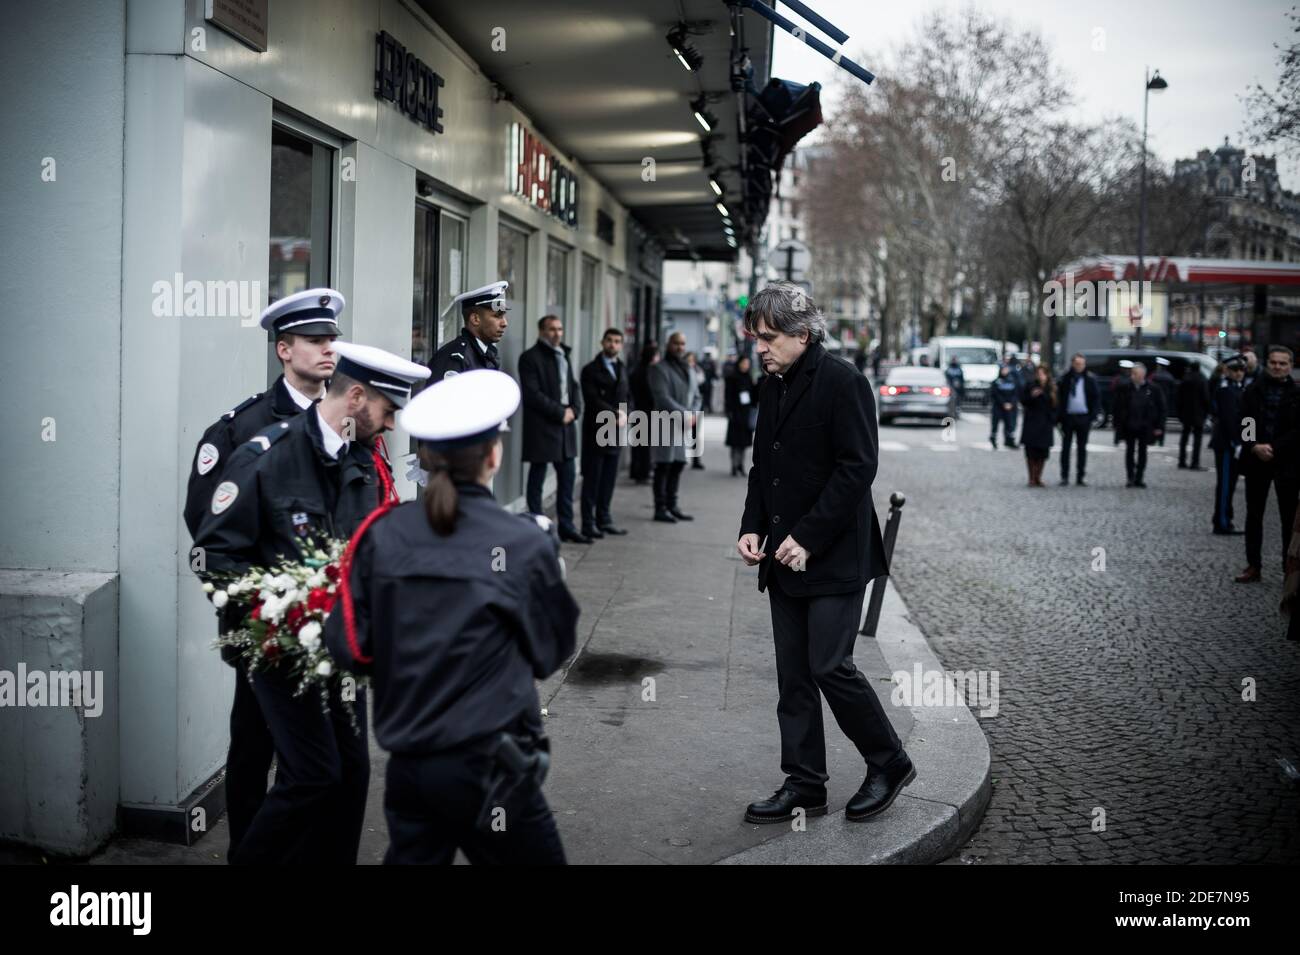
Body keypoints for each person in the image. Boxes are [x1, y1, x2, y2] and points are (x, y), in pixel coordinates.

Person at [325, 370, 579, 864]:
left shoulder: (382, 532)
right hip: (493, 767)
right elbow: (551, 651)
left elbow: (349, 646)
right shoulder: (523, 542)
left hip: (411, 768)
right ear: (493, 454)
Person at [194, 342, 430, 864]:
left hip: (343, 649)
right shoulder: (265, 456)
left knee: (351, 771)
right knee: (311, 774)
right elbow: (214, 553)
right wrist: (276, 607)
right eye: (389, 412)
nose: (392, 425)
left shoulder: (364, 464)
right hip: (279, 647)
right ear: (357, 397)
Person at [736, 283, 908, 826]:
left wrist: (806, 537)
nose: (760, 348)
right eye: (755, 339)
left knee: (831, 666)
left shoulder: (844, 382)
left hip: (833, 558)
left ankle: (890, 762)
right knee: (793, 677)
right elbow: (765, 467)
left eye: (769, 338)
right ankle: (805, 783)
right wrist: (751, 527)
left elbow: (857, 469)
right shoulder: (772, 385)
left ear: (802, 335)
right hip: (781, 557)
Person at [185, 288, 341, 861]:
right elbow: (207, 528)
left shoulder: (343, 422)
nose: (329, 348)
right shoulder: (240, 428)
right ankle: (248, 849)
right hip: (266, 628)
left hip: (330, 626)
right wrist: (258, 612)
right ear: (284, 349)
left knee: (317, 754)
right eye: (315, 340)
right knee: (254, 741)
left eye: (332, 339)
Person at [518, 315, 586, 543]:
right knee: (537, 478)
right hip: (544, 426)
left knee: (567, 479)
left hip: (566, 427)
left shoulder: (563, 355)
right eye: (551, 329)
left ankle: (567, 526)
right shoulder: (529, 358)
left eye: (560, 329)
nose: (557, 333)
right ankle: (536, 527)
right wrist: (561, 412)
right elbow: (532, 394)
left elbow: (574, 387)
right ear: (541, 331)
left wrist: (575, 410)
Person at [1236, 345, 1300, 583]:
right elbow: (1245, 420)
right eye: (1274, 362)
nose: (1277, 367)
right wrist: (1255, 445)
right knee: (1254, 514)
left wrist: (1275, 447)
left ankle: (1288, 568)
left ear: (1290, 366)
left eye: (1282, 363)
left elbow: (1297, 430)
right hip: (1257, 460)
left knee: (1288, 518)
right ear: (1268, 363)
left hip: (1287, 462)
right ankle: (1254, 565)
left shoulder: (1296, 394)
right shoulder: (1253, 390)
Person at [579, 327, 630, 539]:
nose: (613, 345)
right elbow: (592, 400)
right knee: (592, 480)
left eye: (617, 341)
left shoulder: (622, 367)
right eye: (610, 340)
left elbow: (626, 396)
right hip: (596, 431)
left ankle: (604, 519)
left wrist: (626, 414)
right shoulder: (590, 369)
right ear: (602, 342)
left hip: (616, 433)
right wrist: (616, 414)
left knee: (609, 480)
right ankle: (588, 523)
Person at [648, 332, 697, 523]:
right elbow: (662, 398)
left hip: (684, 426)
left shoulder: (689, 369)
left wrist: (693, 413)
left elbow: (697, 396)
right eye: (676, 343)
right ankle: (660, 508)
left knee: (678, 465)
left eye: (683, 343)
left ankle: (672, 505)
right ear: (668, 344)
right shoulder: (658, 369)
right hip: (664, 425)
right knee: (663, 466)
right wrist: (686, 414)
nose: (680, 347)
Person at [427, 281, 510, 380]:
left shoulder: (486, 354)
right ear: (475, 319)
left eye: (503, 316)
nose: (504, 323)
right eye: (497, 316)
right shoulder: (456, 358)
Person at [1113, 362, 1165, 488]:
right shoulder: (1124, 387)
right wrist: (1117, 424)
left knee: (1143, 452)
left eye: (1136, 373)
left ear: (1143, 375)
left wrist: (1159, 426)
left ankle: (1139, 477)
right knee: (1129, 451)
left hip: (1145, 426)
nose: (1133, 376)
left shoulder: (1153, 389)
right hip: (1129, 425)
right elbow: (1117, 407)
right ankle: (1130, 477)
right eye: (1133, 373)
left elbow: (1161, 408)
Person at [1210, 358, 1247, 535]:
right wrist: (1238, 442)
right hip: (1227, 444)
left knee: (1230, 484)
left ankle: (1225, 518)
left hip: (1235, 443)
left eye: (1241, 369)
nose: (1239, 372)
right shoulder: (1226, 390)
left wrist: (1249, 440)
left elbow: (1248, 418)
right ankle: (1222, 521)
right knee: (1225, 484)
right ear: (1228, 371)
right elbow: (1229, 419)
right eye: (1235, 369)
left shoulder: (1240, 389)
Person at [1056, 353, 1101, 485]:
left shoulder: (1090, 379)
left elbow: (1096, 398)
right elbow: (1059, 398)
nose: (1079, 366)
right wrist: (1059, 417)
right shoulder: (1065, 379)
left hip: (1083, 418)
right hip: (1068, 418)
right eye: (1077, 364)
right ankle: (1064, 476)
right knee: (1066, 448)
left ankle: (1080, 476)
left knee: (1082, 448)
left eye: (1081, 364)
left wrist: (1092, 416)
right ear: (1072, 364)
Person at [1019, 364, 1057, 487]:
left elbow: (1055, 405)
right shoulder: (1030, 386)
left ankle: (1038, 477)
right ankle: (1031, 478)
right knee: (1030, 452)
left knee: (1043, 452)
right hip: (1032, 422)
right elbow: (1023, 400)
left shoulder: (1052, 388)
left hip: (1045, 423)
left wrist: (1053, 419)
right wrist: (1032, 396)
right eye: (1038, 373)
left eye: (1043, 373)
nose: (1041, 376)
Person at [628, 342, 659, 484]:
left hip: (637, 409)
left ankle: (636, 471)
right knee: (645, 444)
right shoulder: (648, 371)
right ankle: (643, 472)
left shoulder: (636, 369)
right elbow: (650, 392)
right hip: (646, 410)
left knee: (638, 443)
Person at [724, 354, 758, 476]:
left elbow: (754, 396)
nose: (745, 366)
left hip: (746, 413)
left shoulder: (749, 378)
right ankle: (734, 465)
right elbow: (728, 396)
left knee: (743, 442)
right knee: (735, 442)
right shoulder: (732, 378)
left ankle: (740, 465)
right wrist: (729, 411)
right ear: (739, 364)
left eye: (747, 364)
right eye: (744, 363)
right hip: (735, 412)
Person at [1176, 362, 1211, 470]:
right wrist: (1207, 410)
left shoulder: (1185, 379)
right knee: (1197, 438)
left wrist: (1179, 412)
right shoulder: (1202, 379)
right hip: (1198, 413)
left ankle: (1182, 460)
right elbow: (1205, 397)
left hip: (1186, 412)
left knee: (1184, 436)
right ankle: (1194, 462)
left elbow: (1179, 397)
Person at [989, 364, 1020, 450]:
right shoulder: (996, 381)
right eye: (1003, 369)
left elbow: (1015, 394)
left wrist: (1011, 404)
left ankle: (1009, 440)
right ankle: (993, 439)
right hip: (998, 407)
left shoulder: (1012, 381)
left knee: (1010, 425)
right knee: (995, 424)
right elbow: (995, 394)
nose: (1005, 371)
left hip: (1010, 407)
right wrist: (1003, 403)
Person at [686, 351, 706, 470]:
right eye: (689, 360)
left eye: (692, 360)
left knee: (696, 434)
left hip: (696, 406)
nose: (691, 362)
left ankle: (695, 459)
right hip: (685, 407)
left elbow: (703, 387)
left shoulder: (698, 370)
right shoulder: (683, 371)